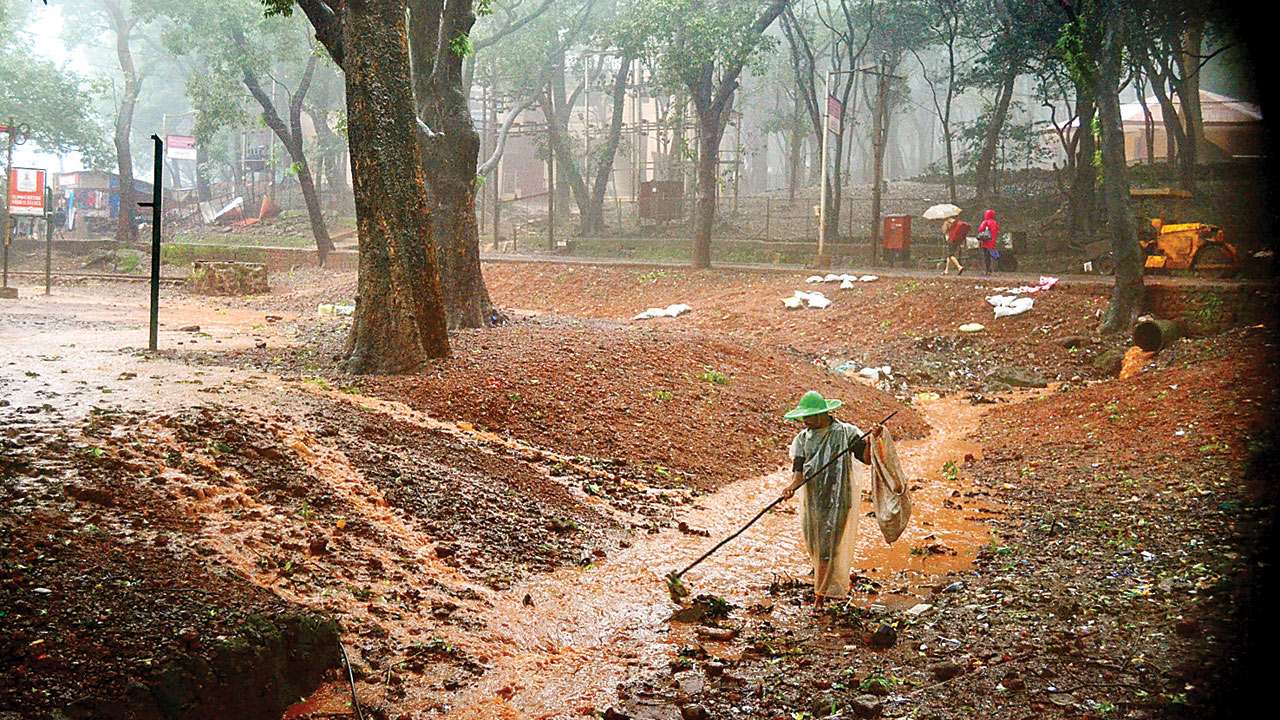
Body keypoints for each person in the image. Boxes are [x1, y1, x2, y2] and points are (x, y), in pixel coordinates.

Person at [781, 390, 876, 612]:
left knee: (827, 548)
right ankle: (828, 583)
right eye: (803, 417)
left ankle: (820, 598)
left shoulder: (846, 433)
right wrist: (790, 489)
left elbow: (868, 459)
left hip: (840, 499)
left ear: (823, 414)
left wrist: (872, 441)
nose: (805, 421)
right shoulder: (802, 440)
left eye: (809, 417)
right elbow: (799, 474)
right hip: (813, 500)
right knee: (815, 547)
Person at [976, 209, 999, 275]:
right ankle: (994, 269)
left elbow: (980, 229)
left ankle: (988, 270)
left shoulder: (985, 222)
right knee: (993, 254)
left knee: (986, 256)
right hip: (993, 241)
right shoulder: (995, 222)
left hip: (986, 241)